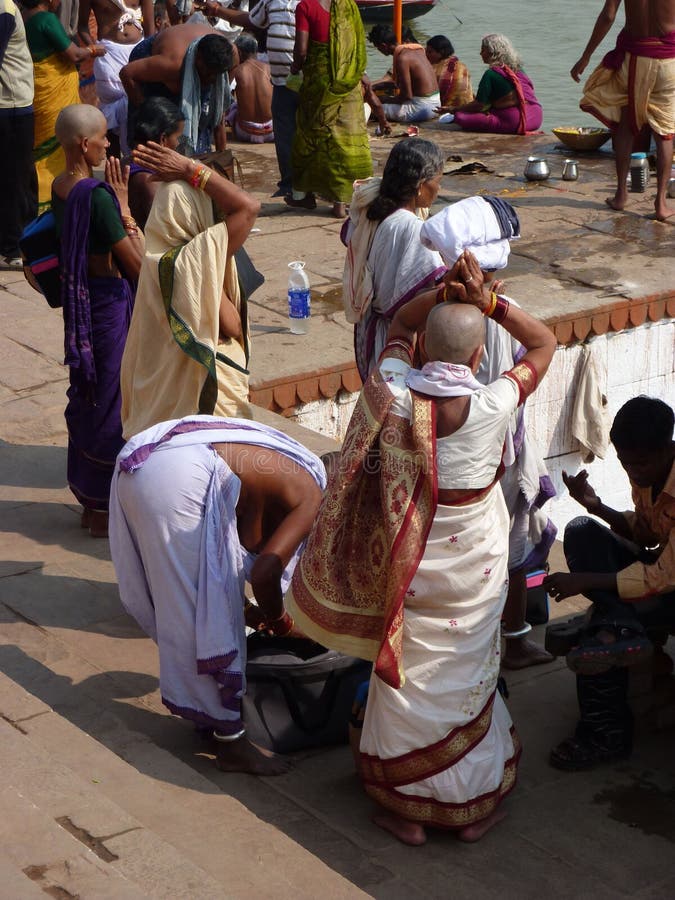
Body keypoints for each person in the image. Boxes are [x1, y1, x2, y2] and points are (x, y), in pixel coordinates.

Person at [287, 251, 557, 845]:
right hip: (476, 566)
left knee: (409, 679)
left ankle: (408, 811)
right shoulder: (493, 403)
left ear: (427, 351)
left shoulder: (392, 392)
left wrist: (439, 299)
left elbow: (401, 327)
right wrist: (491, 304)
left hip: (411, 564)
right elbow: (544, 345)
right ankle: (471, 810)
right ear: (482, 355)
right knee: (466, 679)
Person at [109, 414, 326, 774]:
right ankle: (231, 744)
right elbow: (264, 572)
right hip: (178, 478)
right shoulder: (311, 495)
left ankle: (211, 718)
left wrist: (244, 607)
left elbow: (237, 545)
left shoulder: (290, 469)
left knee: (196, 609)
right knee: (201, 613)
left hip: (143, 464)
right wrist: (282, 622)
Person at [420, 196, 557, 669]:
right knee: (512, 541)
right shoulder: (500, 312)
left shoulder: (433, 315)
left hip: (446, 451)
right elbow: (541, 347)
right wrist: (491, 302)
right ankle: (513, 637)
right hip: (495, 440)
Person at [544, 397, 675, 770]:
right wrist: (595, 505)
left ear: (668, 448)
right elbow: (646, 535)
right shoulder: (650, 474)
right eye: (625, 463)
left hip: (671, 582)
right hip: (664, 571)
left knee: (598, 634)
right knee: (583, 530)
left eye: (642, 463)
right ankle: (616, 627)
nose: (633, 471)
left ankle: (606, 737)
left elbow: (660, 576)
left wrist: (582, 581)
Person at [119, 139, 260, 439]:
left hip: (159, 411)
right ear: (194, 212)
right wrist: (190, 169)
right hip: (200, 416)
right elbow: (249, 207)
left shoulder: (159, 259)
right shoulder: (193, 261)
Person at [52, 104, 143, 536]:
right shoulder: (99, 197)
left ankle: (90, 502)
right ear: (85, 144)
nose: (110, 144)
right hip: (107, 303)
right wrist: (124, 208)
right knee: (111, 401)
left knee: (90, 394)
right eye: (104, 138)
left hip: (81, 302)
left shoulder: (61, 186)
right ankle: (105, 510)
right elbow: (136, 268)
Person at [342, 137, 446, 381]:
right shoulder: (411, 228)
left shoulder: (372, 208)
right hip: (395, 336)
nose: (439, 189)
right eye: (438, 181)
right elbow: (426, 290)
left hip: (372, 329)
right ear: (421, 185)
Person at [570, 0, 675, 221]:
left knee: (625, 124)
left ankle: (621, 194)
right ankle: (661, 204)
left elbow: (608, 16)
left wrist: (586, 55)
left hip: (634, 58)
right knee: (665, 132)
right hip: (667, 60)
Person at [200, 0, 299, 197]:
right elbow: (252, 21)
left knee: (303, 133)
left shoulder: (240, 69)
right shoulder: (270, 2)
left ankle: (305, 185)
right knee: (286, 134)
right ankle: (290, 185)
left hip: (304, 78)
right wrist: (218, 11)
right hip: (280, 82)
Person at [284, 0, 372, 218]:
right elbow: (355, 46)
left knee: (311, 138)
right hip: (349, 83)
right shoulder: (349, 6)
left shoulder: (306, 6)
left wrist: (295, 66)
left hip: (319, 84)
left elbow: (302, 50)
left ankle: (304, 196)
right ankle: (342, 203)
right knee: (347, 141)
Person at [22, 0, 106, 210]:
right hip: (53, 97)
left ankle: (35, 195)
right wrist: (94, 50)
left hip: (38, 92)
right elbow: (74, 54)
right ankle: (54, 197)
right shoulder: (46, 19)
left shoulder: (22, 18)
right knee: (63, 141)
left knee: (40, 145)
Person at [120, 22, 233, 155]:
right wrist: (147, 111)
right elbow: (127, 74)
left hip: (191, 53)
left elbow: (218, 106)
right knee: (155, 130)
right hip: (151, 58)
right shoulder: (171, 66)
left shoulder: (230, 56)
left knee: (201, 126)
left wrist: (223, 155)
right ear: (198, 60)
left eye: (216, 76)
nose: (212, 80)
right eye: (208, 74)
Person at [0, 0, 38, 270]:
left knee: (13, 178)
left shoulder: (3, 9)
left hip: (11, 106)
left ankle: (15, 247)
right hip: (9, 106)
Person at [452, 33, 543, 134]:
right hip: (536, 117)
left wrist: (454, 109)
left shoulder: (490, 74)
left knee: (460, 117)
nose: (480, 53)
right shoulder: (519, 69)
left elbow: (479, 105)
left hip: (514, 121)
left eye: (483, 50)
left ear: (492, 52)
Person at [128, 96, 185, 228]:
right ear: (163, 139)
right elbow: (166, 232)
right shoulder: (149, 181)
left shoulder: (128, 161)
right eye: (178, 137)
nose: (178, 143)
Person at [367, 23, 439, 123]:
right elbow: (403, 85)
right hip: (435, 105)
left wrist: (383, 99)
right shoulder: (417, 50)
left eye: (377, 47)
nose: (378, 50)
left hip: (421, 109)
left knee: (371, 108)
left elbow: (406, 96)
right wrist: (376, 86)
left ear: (383, 46)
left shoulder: (402, 58)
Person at [226, 32, 273, 143]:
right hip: (271, 132)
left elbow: (225, 93)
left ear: (239, 53)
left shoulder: (237, 70)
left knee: (233, 107)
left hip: (245, 132)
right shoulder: (268, 68)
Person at [425, 34, 473, 110]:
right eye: (426, 51)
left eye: (430, 52)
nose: (426, 55)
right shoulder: (462, 66)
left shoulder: (434, 69)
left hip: (445, 109)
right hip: (466, 107)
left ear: (441, 52)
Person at [77, 0, 154, 45]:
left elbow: (149, 23)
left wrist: (148, 48)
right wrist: (93, 47)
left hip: (139, 46)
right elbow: (82, 26)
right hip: (109, 52)